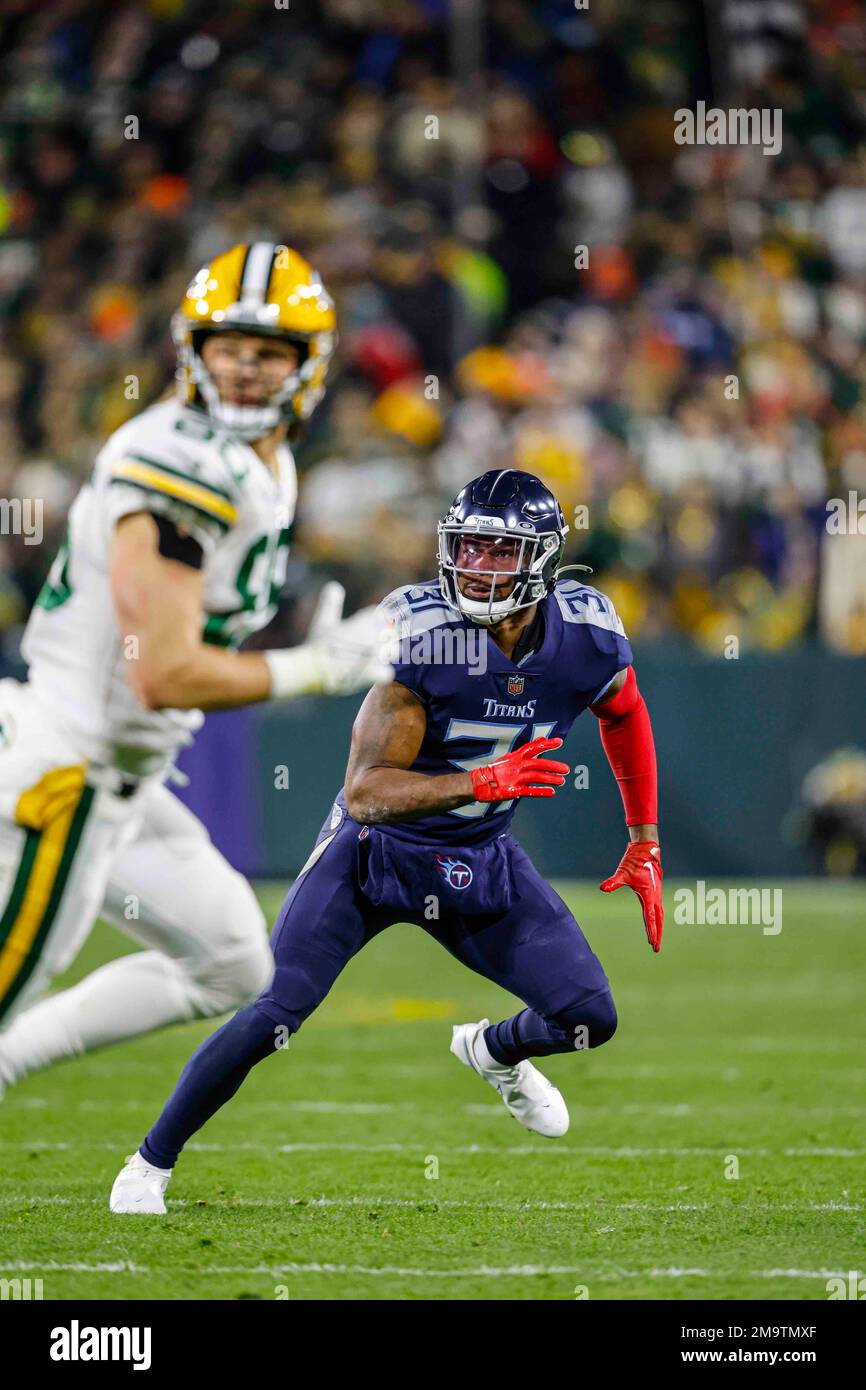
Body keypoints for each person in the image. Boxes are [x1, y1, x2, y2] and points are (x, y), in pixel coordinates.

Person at [109, 467, 663, 1214]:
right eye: (468, 547)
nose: (477, 565)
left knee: (589, 1018)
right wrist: (479, 782)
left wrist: (644, 838)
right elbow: (368, 795)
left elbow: (623, 713)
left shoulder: (588, 636)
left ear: (543, 559)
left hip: (480, 859)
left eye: (500, 552)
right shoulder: (424, 635)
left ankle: (494, 1051)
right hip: (373, 858)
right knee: (271, 1010)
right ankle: (149, 1165)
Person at [0, 242, 390, 1094]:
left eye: (269, 352)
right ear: (193, 348)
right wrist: (320, 666)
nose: (246, 370)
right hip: (64, 775)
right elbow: (165, 673)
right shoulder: (180, 459)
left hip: (121, 776)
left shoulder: (266, 462)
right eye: (229, 347)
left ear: (308, 363)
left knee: (231, 965)